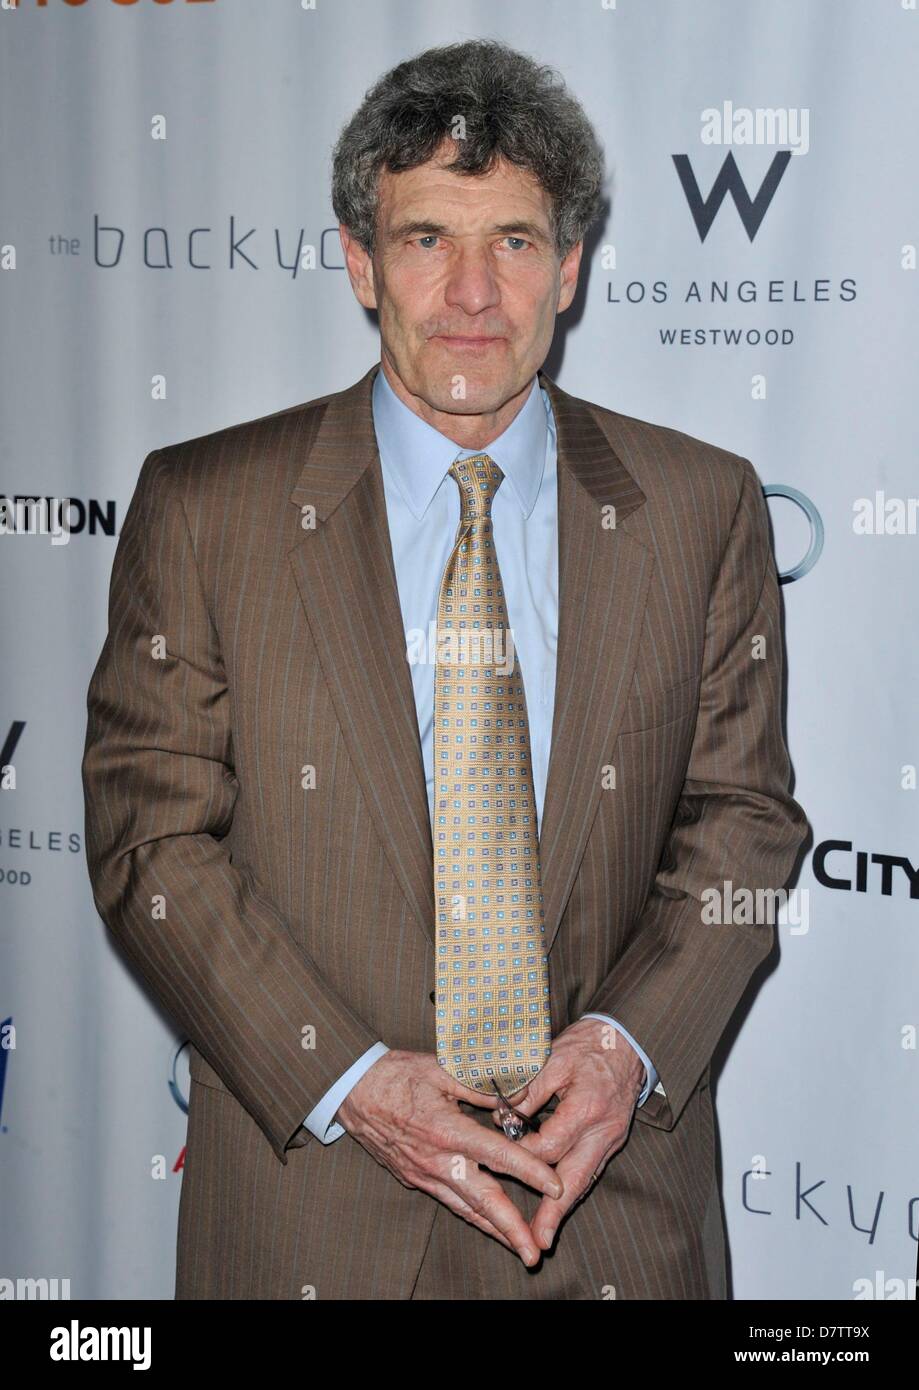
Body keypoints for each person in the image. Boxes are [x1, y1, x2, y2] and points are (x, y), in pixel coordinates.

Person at [81, 38, 808, 1300]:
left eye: (516, 243)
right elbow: (152, 842)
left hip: (614, 1209)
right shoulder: (204, 508)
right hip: (310, 1215)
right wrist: (352, 1080)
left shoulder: (702, 506)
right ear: (361, 262)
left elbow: (739, 820)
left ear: (570, 267)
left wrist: (629, 1046)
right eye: (426, 240)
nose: (473, 292)